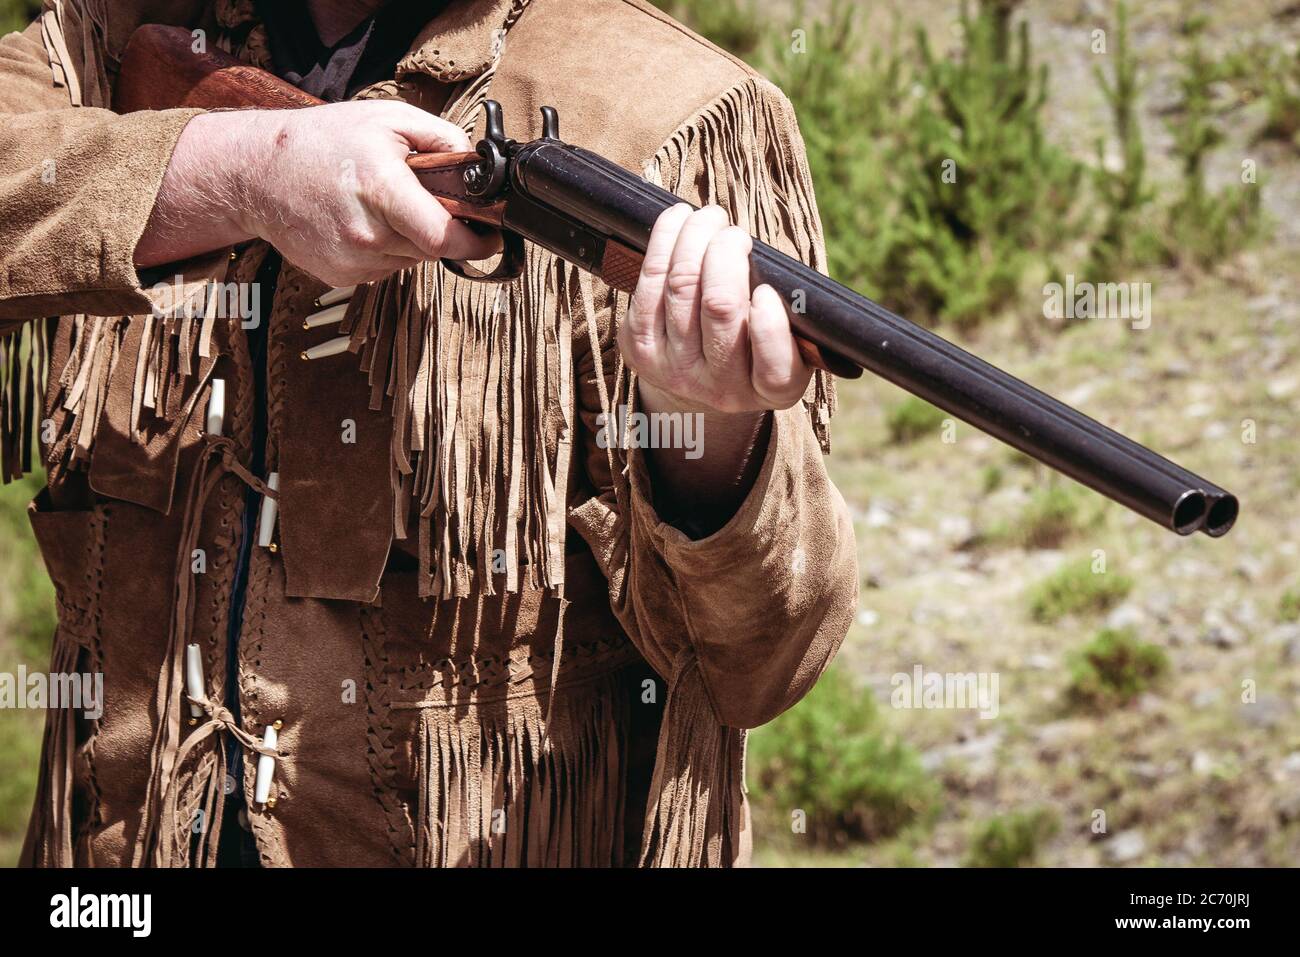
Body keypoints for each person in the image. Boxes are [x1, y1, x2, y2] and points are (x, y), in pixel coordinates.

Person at [0, 0, 857, 867]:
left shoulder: (671, 114)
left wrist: (706, 419)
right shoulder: (110, 37)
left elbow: (760, 663)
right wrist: (239, 170)